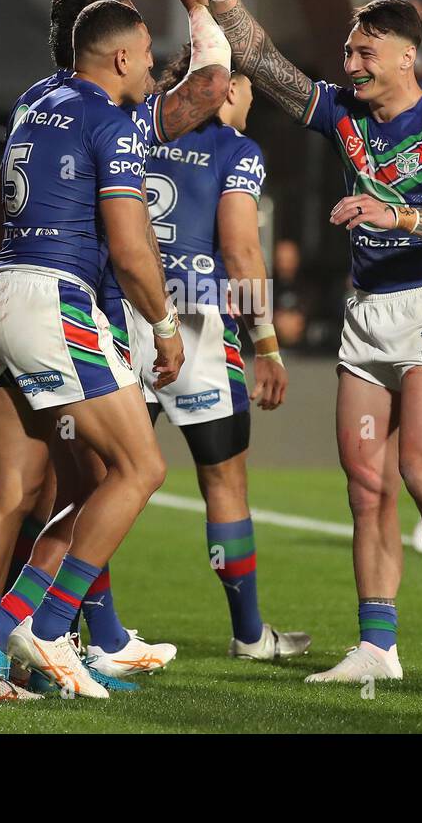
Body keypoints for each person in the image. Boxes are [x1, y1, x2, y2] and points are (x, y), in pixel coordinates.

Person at [202, 0, 422, 688]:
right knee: (366, 484)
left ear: (406, 56)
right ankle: (378, 647)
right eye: (348, 49)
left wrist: (395, 211)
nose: (353, 61)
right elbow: (267, 67)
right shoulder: (341, 113)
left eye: (366, 50)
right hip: (368, 319)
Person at [0, 0, 232, 689]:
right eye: (143, 38)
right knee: (122, 475)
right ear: (115, 46)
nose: (153, 58)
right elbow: (210, 88)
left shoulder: (33, 103)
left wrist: (16, 285)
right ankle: (51, 632)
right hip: (71, 312)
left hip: (10, 300)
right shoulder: (113, 118)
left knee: (35, 492)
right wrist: (203, 11)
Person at [93, 47, 308, 671]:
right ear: (222, 87)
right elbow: (241, 250)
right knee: (224, 483)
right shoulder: (236, 152)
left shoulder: (131, 125)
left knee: (102, 481)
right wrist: (264, 343)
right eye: (246, 88)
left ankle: (93, 631)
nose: (250, 102)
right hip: (197, 327)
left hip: (117, 313)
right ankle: (248, 634)